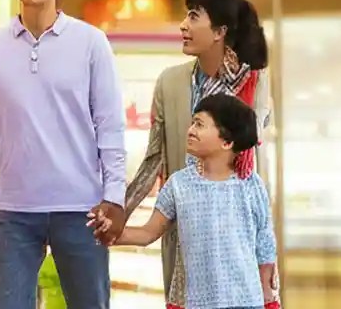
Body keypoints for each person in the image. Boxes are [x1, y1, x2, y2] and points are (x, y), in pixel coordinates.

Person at [0, 0, 126, 309]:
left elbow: (110, 125)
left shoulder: (91, 42)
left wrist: (115, 197)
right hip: (14, 213)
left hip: (82, 211)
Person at [102, 0, 273, 306]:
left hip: (236, 238)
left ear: (220, 30)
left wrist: (267, 273)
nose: (183, 25)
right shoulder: (170, 82)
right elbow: (154, 160)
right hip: (185, 232)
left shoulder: (253, 83)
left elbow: (253, 167)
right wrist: (118, 211)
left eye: (194, 17)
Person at [93, 94, 280, 309]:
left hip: (248, 301)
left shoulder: (250, 184)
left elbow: (265, 244)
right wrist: (108, 231)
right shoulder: (178, 184)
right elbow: (147, 233)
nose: (190, 130)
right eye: (192, 123)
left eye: (200, 124)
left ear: (227, 142)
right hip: (199, 303)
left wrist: (269, 299)